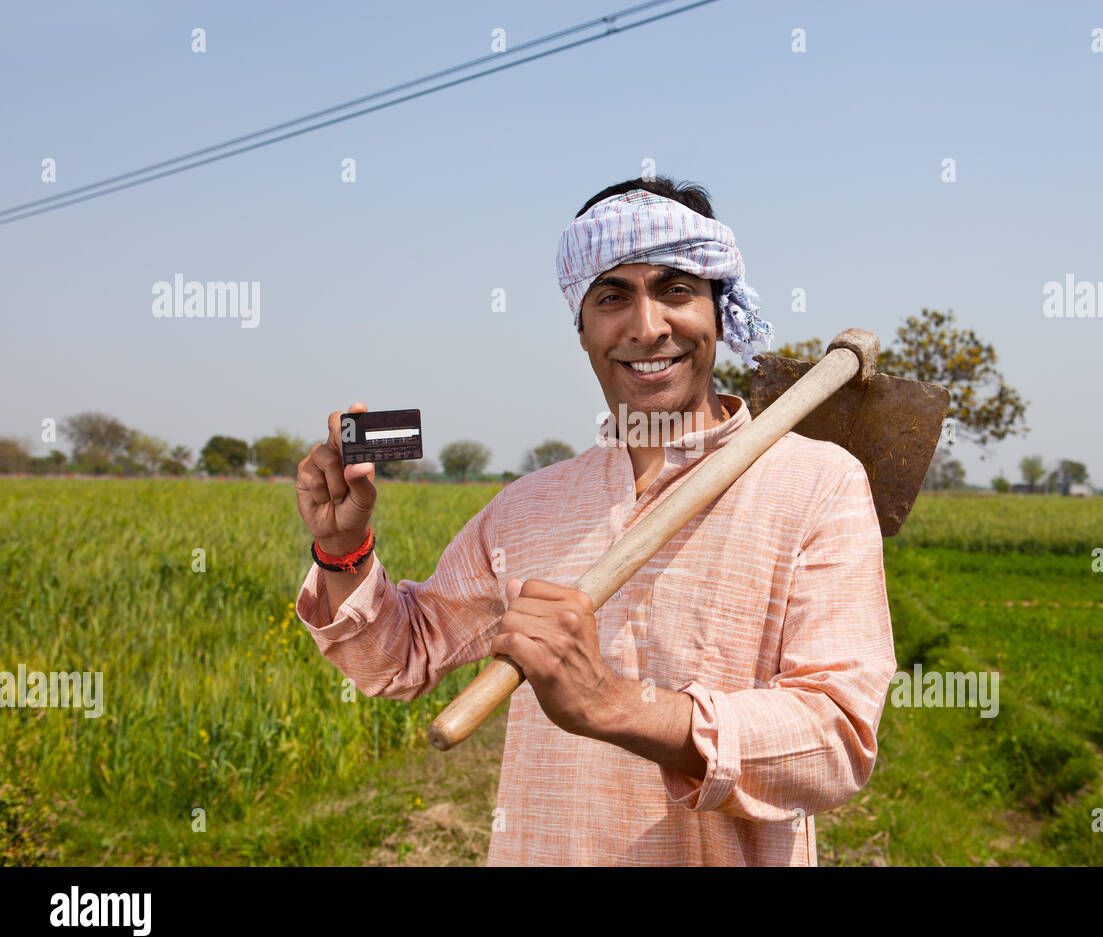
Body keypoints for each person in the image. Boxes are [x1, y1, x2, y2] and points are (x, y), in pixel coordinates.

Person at [293, 176, 896, 865]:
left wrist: (615, 705)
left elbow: (836, 742)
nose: (646, 326)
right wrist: (343, 548)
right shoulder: (528, 507)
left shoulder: (815, 484)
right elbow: (399, 659)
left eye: (676, 289)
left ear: (722, 313)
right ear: (581, 329)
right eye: (612, 296)